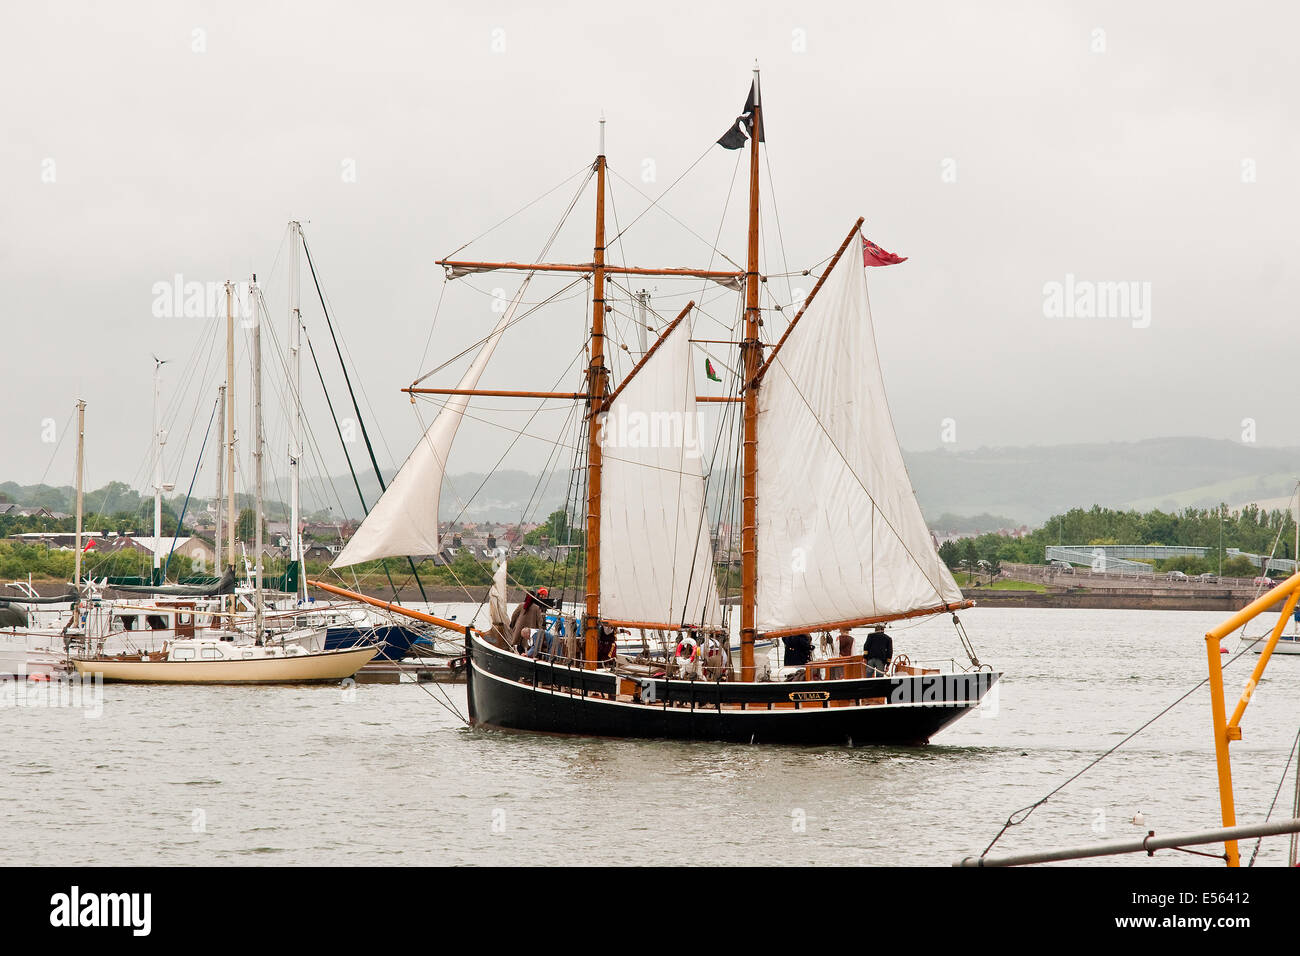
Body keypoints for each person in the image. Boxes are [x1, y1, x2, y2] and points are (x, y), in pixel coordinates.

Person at [509, 586, 549, 653]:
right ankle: (525, 653)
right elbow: (540, 621)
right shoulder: (536, 608)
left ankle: (517, 652)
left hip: (519, 628)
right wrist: (540, 631)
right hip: (530, 630)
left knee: (518, 641)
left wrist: (512, 624)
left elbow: (514, 615)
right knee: (527, 644)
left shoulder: (521, 605)